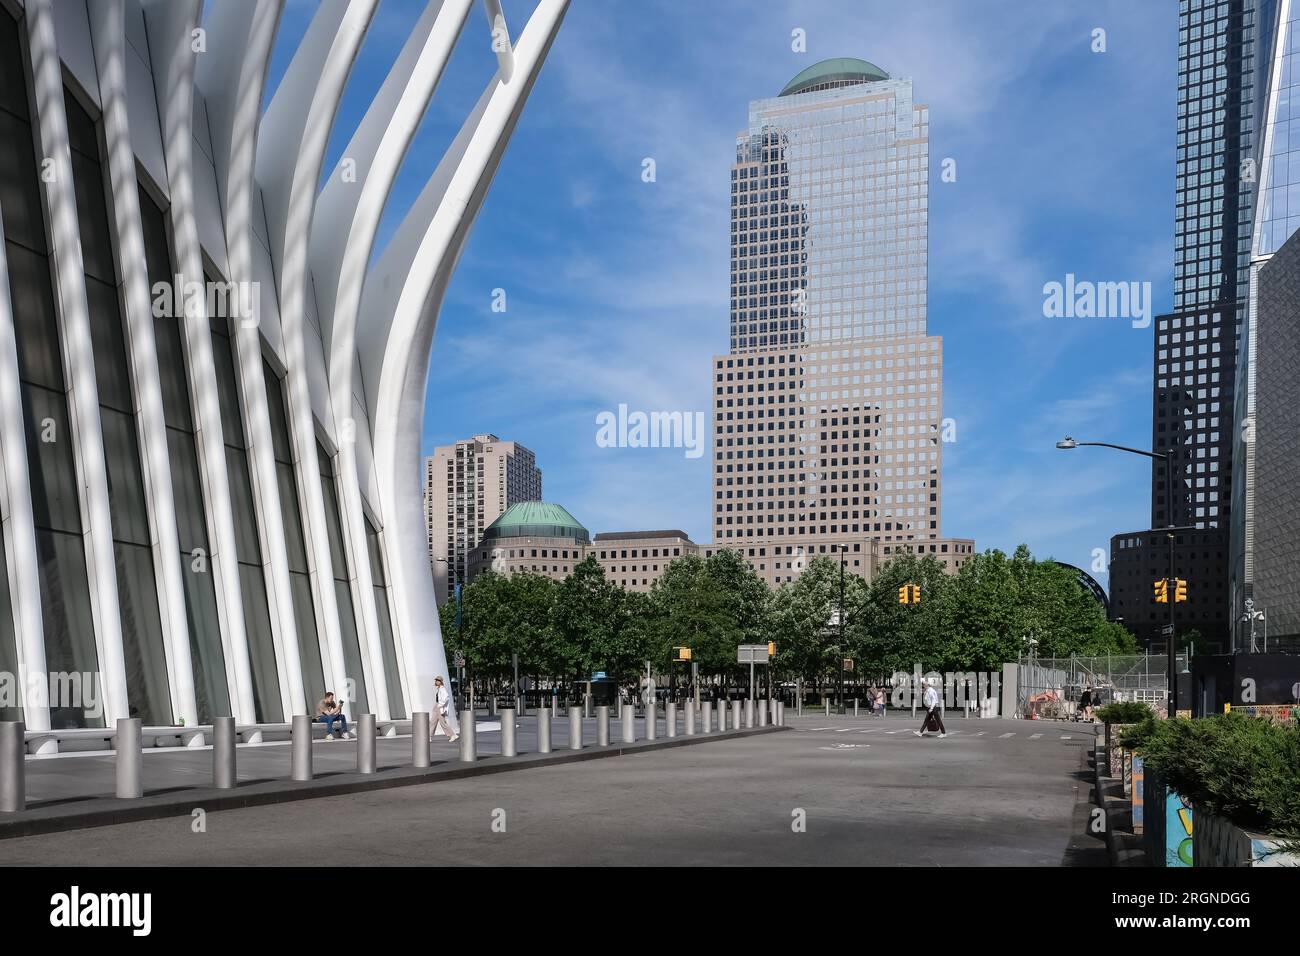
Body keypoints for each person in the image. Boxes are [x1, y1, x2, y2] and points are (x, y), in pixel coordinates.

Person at [431, 676, 459, 743]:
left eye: (438, 680)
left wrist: (440, 705)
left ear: (441, 682)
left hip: (439, 707)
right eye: (436, 680)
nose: (436, 681)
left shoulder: (442, 689)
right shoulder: (439, 688)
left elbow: (446, 697)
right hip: (437, 705)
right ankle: (429, 736)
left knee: (442, 723)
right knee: (432, 721)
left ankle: (452, 735)